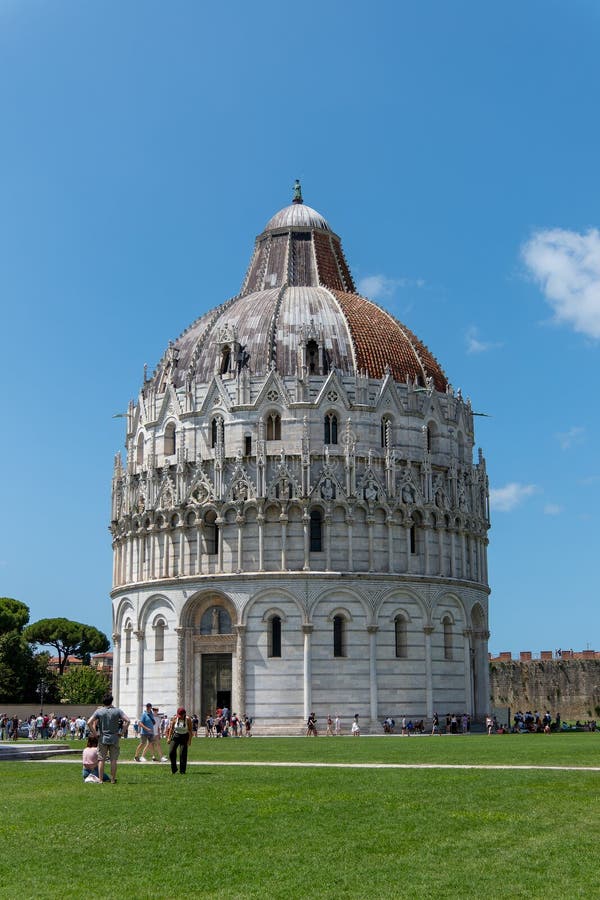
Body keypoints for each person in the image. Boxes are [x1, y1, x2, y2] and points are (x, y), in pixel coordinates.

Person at [87, 693, 130, 784]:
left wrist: (95, 734)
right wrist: (122, 732)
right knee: (113, 760)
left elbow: (89, 722)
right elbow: (128, 720)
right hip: (114, 737)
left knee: (101, 759)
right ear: (111, 701)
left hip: (103, 738)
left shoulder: (99, 711)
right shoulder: (117, 711)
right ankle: (113, 779)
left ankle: (101, 780)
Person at [167, 707, 193, 774]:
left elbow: (190, 731)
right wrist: (169, 738)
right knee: (171, 752)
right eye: (179, 715)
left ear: (184, 714)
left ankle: (182, 771)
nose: (180, 716)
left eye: (181, 715)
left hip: (184, 736)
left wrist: (189, 740)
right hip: (176, 736)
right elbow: (171, 729)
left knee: (182, 754)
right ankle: (174, 768)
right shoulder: (175, 718)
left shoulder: (188, 719)